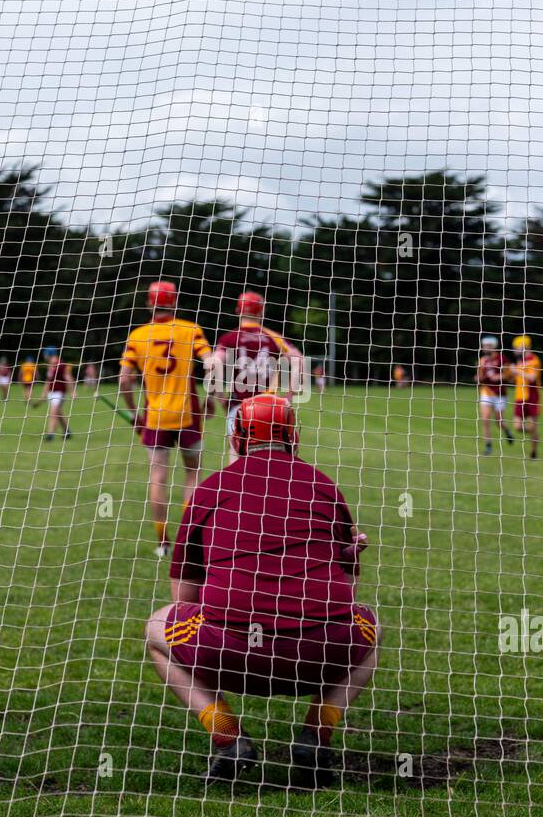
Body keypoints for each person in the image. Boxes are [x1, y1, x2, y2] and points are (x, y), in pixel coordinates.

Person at [145, 394, 377, 783]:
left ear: (236, 440)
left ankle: (228, 737)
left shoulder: (211, 488)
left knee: (156, 628)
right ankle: (316, 737)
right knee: (372, 627)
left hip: (229, 654)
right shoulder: (324, 486)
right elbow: (346, 593)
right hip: (318, 654)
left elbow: (182, 597)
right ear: (294, 438)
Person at [119, 280, 215, 557]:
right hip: (187, 414)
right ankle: (189, 540)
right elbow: (212, 364)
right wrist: (210, 399)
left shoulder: (137, 335)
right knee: (193, 473)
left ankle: (163, 542)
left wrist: (135, 412)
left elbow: (125, 379)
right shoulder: (190, 329)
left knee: (158, 477)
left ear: (149, 303)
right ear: (174, 302)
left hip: (155, 416)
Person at [208, 290, 304, 465]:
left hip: (240, 408)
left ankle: (238, 492)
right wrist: (288, 397)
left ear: (238, 311)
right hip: (271, 410)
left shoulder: (230, 337)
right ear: (261, 312)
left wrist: (218, 396)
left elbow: (213, 364)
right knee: (272, 461)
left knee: (237, 455)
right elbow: (299, 361)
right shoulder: (273, 337)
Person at [477, 336, 514, 455]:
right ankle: (488, 446)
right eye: (484, 346)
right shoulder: (482, 360)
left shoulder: (502, 359)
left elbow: (509, 376)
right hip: (486, 392)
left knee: (498, 421)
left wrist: (499, 377)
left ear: (493, 347)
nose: (485, 348)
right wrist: (478, 378)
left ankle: (507, 431)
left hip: (500, 393)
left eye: (488, 346)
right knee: (485, 419)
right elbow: (480, 377)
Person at [508, 335, 543, 459]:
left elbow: (533, 377)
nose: (514, 351)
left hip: (532, 397)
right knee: (517, 426)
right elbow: (516, 379)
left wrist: (516, 371)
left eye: (516, 348)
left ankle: (533, 452)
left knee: (532, 425)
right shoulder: (520, 361)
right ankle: (534, 435)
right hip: (519, 397)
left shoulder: (534, 360)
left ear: (524, 346)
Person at [42, 347, 74, 441]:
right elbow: (48, 380)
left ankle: (50, 434)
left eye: (45, 354)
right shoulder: (50, 365)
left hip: (59, 392)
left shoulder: (60, 364)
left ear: (49, 354)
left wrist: (72, 391)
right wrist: (44, 392)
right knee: (58, 413)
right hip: (51, 392)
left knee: (53, 412)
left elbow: (68, 377)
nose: (44, 356)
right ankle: (67, 431)